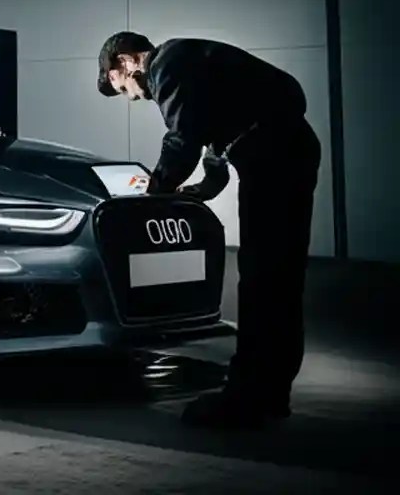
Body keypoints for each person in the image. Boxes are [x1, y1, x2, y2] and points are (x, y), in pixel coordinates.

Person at [96, 32, 321, 429]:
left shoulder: (168, 65)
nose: (131, 97)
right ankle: (269, 392)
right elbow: (216, 129)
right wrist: (206, 187)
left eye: (120, 85)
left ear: (126, 61)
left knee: (263, 276)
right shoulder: (191, 61)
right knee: (277, 276)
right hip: (281, 149)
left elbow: (184, 137)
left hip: (274, 154)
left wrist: (155, 190)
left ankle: (249, 395)